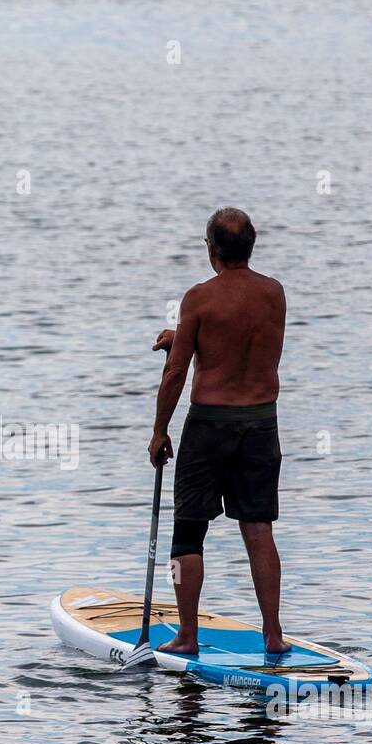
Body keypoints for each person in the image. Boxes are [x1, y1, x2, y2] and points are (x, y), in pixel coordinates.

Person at [147, 207, 289, 656]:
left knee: (187, 532)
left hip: (210, 425)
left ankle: (187, 636)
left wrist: (159, 432)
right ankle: (273, 634)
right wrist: (187, 336)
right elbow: (241, 341)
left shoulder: (199, 299)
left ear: (211, 249)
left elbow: (176, 374)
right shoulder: (275, 294)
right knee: (258, 528)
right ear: (253, 244)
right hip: (261, 423)